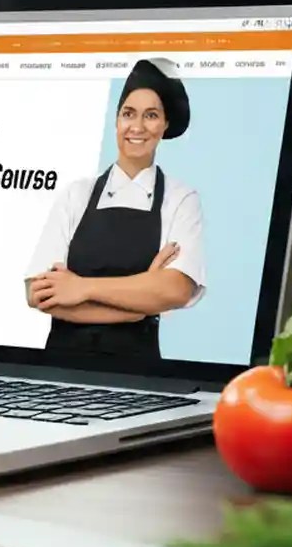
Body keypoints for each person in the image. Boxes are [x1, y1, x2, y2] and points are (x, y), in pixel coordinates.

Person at [24, 57, 206, 362]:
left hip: (138, 371)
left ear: (165, 125)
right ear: (117, 121)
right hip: (59, 367)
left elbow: (176, 289)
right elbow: (38, 293)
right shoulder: (76, 194)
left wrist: (81, 287)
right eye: (128, 113)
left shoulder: (180, 199)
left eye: (151, 115)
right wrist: (139, 306)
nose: (137, 127)